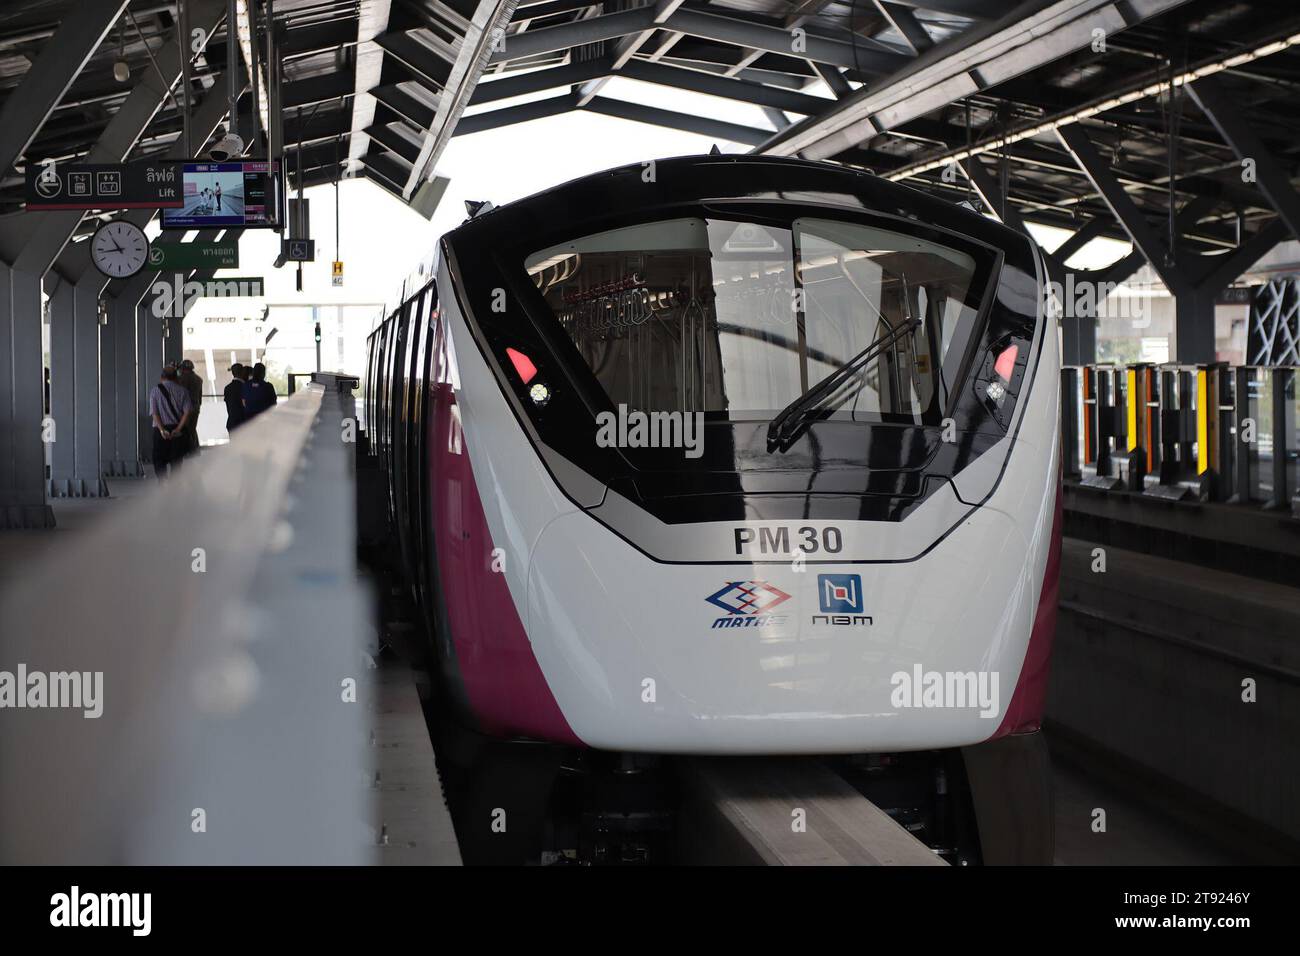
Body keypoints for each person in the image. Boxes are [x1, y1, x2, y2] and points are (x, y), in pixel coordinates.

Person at [148, 365, 193, 479]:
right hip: (177, 430)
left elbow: (154, 413)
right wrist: (178, 429)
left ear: (162, 377)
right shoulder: (183, 391)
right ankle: (174, 486)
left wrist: (162, 430)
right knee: (176, 460)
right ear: (175, 378)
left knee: (159, 459)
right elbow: (187, 412)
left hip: (160, 430)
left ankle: (163, 483)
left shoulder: (155, 391)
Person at [177, 358, 204, 453]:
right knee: (192, 429)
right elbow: (200, 395)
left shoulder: (181, 379)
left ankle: (189, 450)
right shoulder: (199, 379)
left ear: (183, 368)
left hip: (185, 408)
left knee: (185, 430)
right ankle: (195, 449)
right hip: (196, 407)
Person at [224, 363, 247, 434]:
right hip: (244, 423)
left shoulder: (227, 388)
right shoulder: (245, 387)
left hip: (231, 422)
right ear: (242, 372)